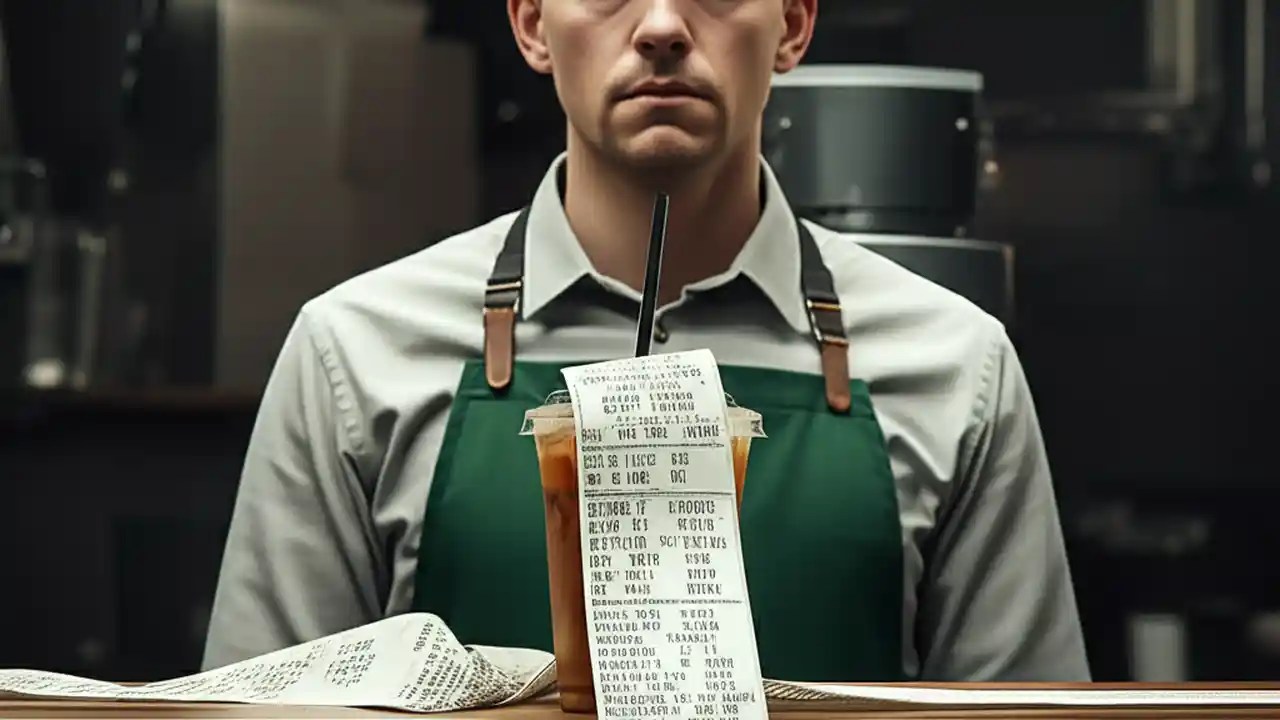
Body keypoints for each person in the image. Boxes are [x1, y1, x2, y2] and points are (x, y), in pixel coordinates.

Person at [203, 0, 1090, 682]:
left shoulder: (958, 369)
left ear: (793, 22)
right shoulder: (355, 358)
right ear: (529, 21)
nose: (663, 25)